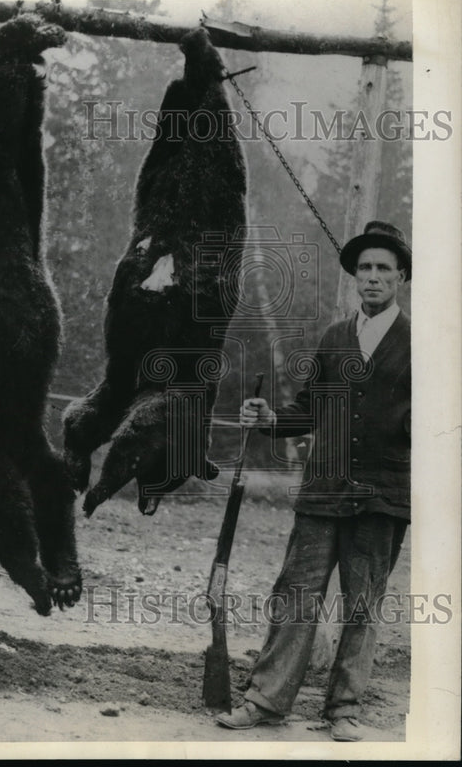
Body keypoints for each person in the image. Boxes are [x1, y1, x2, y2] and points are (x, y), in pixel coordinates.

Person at [216, 221, 411, 742]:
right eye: (364, 268)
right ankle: (265, 701)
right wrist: (269, 418)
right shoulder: (334, 338)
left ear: (401, 277)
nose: (372, 277)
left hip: (382, 497)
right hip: (322, 492)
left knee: (362, 606)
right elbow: (308, 409)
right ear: (355, 277)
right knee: (296, 596)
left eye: (383, 268)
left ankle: (344, 709)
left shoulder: (422, 343)